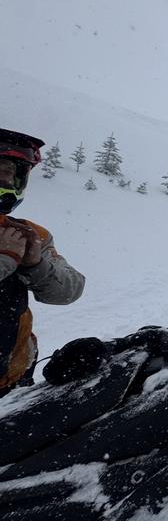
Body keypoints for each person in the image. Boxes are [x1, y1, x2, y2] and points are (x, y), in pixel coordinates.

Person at [0, 128, 85, 397]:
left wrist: (35, 265)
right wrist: (5, 261)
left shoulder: (26, 233)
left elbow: (70, 290)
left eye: (10, 172)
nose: (5, 179)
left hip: (15, 380)